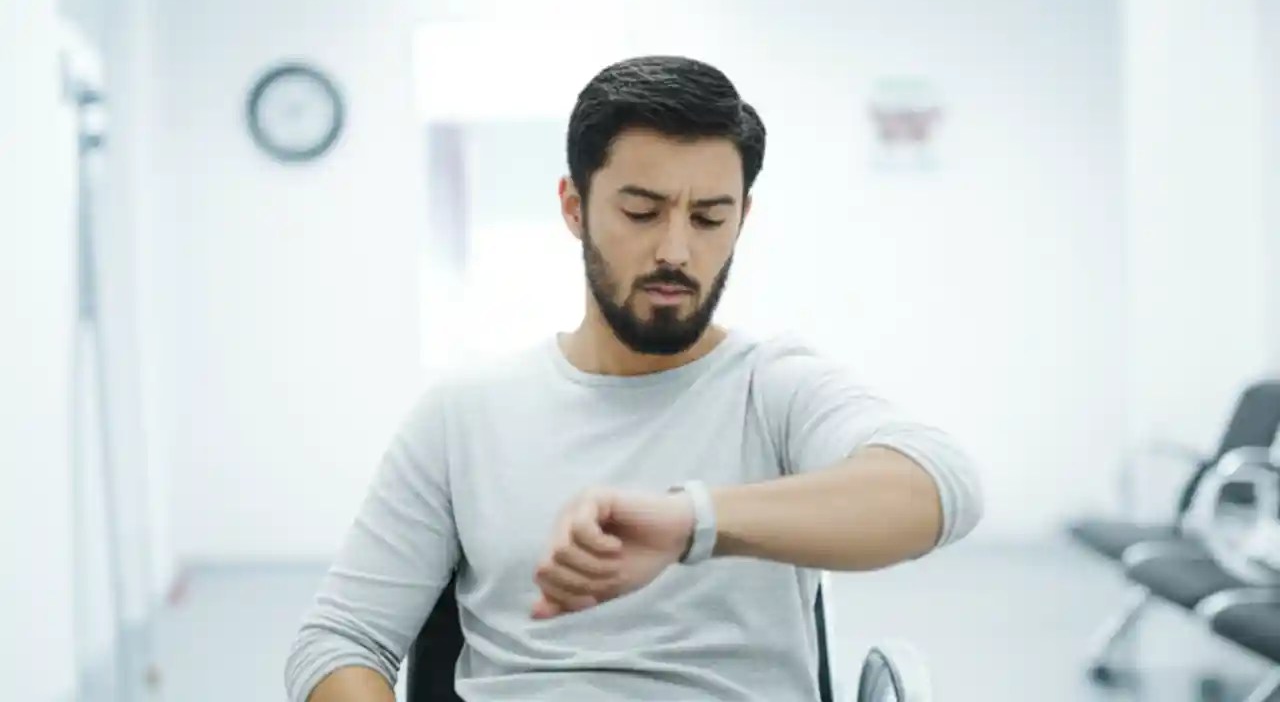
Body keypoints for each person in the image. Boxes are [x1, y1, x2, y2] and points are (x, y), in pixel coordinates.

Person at [285, 55, 983, 702]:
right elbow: (339, 640)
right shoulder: (462, 416)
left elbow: (942, 485)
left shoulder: (772, 388)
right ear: (573, 206)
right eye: (641, 213)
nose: (676, 250)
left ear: (743, 218)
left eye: (711, 217)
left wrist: (693, 523)